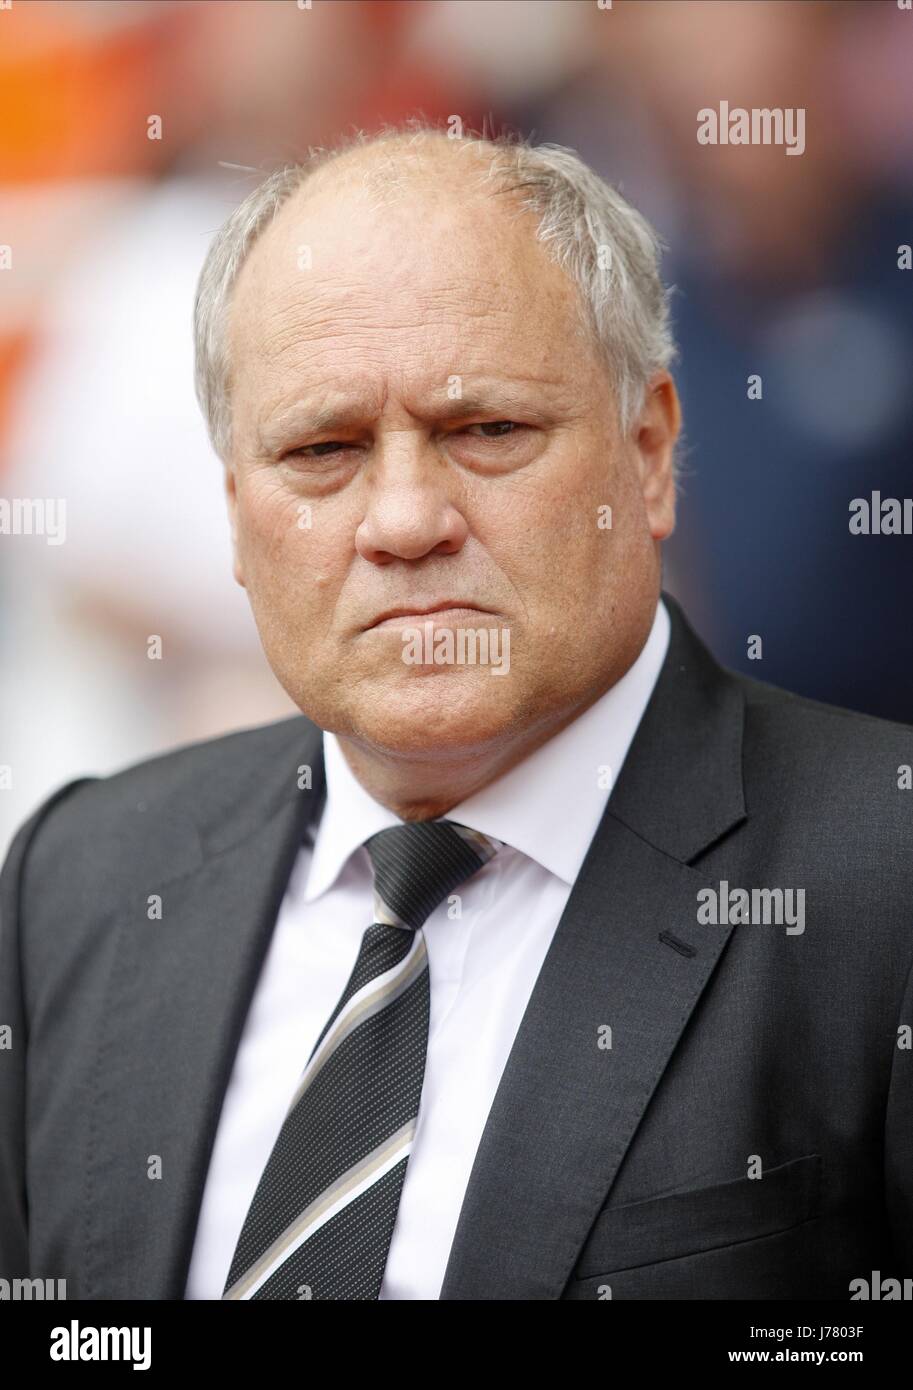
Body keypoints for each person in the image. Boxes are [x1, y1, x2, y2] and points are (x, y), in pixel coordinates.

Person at [1, 125, 910, 1301]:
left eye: (486, 431)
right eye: (322, 449)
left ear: (648, 453)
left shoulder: (881, 887)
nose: (404, 518)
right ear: (234, 516)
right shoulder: (77, 886)